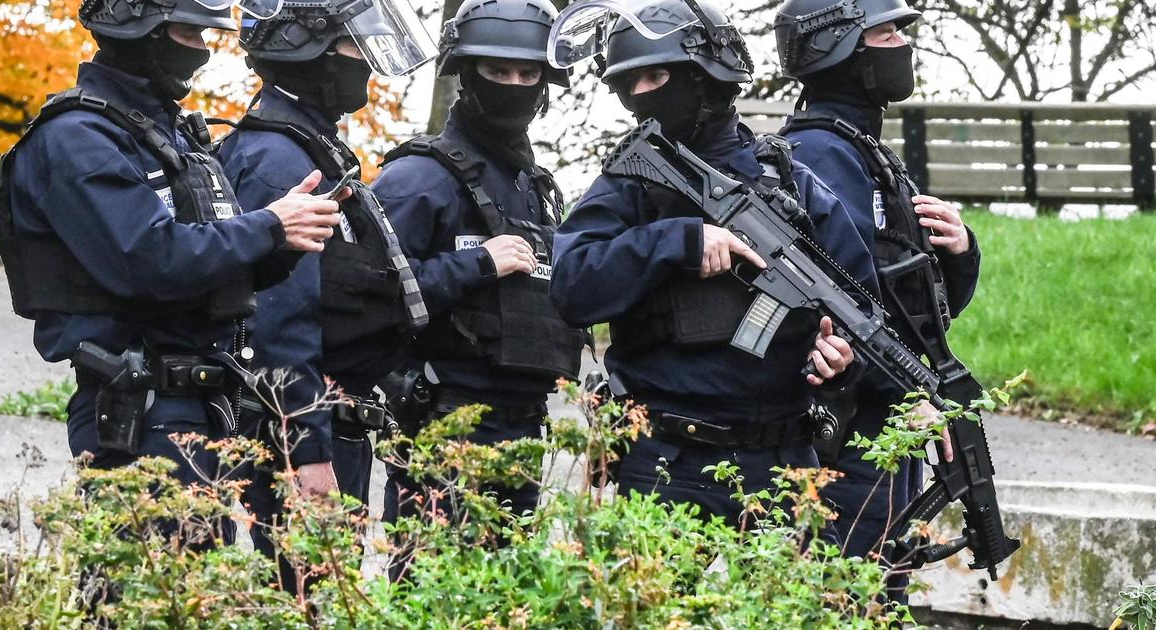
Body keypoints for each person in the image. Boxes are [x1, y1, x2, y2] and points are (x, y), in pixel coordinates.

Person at [0, 0, 341, 529]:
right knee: (144, 597)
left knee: (194, 597)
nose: (201, 52)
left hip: (199, 409)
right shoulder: (78, 137)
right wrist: (269, 226)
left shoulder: (163, 133)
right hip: (140, 408)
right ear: (140, 30)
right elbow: (147, 261)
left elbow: (209, 266)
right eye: (188, 34)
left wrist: (281, 244)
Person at [548, 0, 879, 527]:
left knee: (786, 611)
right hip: (665, 460)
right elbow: (570, 286)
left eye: (656, 76)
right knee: (650, 612)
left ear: (708, 77)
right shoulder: (631, 182)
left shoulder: (792, 184)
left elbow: (858, 308)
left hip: (783, 460)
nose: (640, 97)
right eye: (628, 85)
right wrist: (676, 241)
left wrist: (840, 363)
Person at [216, 0, 435, 575]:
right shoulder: (278, 159)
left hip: (332, 421)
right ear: (305, 50)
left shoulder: (305, 146)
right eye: (350, 45)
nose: (362, 59)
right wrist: (307, 455)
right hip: (305, 431)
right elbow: (280, 324)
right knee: (308, 595)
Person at [371, 0, 587, 548]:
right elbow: (365, 300)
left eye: (528, 72)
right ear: (466, 74)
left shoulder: (534, 187)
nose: (514, 84)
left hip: (525, 428)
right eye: (497, 71)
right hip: (443, 426)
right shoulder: (417, 178)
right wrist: (476, 264)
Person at [774, 0, 982, 561]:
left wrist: (960, 249)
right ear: (840, 47)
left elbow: (921, 308)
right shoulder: (816, 153)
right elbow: (839, 301)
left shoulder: (867, 152)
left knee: (880, 590)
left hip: (892, 415)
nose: (902, 46)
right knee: (852, 595)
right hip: (853, 425)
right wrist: (906, 392)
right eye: (886, 33)